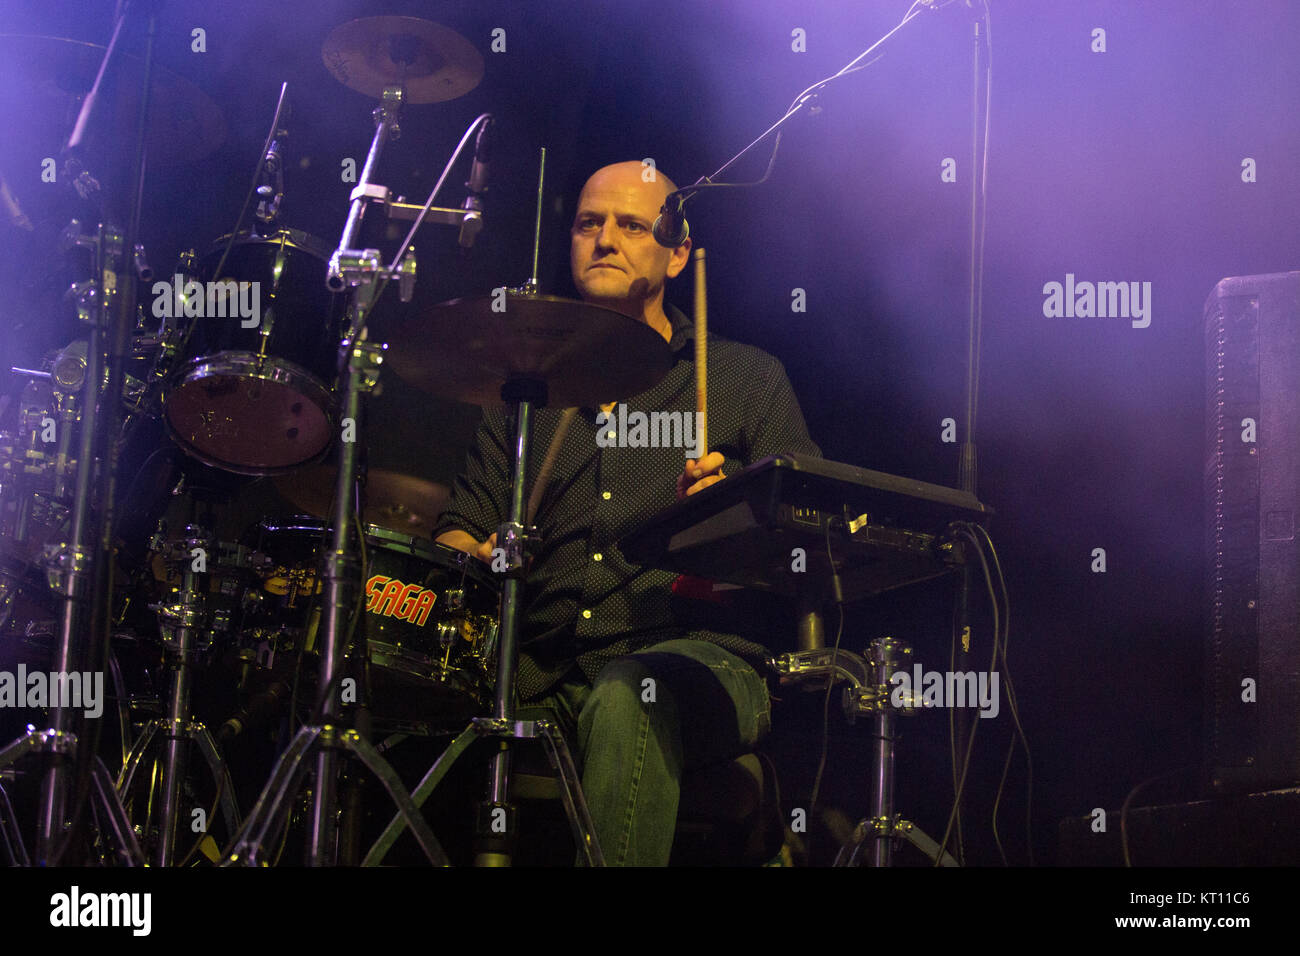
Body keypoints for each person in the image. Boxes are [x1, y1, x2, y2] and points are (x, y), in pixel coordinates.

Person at [433, 160, 820, 865]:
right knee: (412, 706)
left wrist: (733, 508)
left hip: (704, 664)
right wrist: (478, 557)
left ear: (677, 254)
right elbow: (459, 528)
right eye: (589, 223)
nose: (604, 239)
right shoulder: (525, 392)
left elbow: (808, 541)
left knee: (628, 694)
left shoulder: (744, 379)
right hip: (541, 672)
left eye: (630, 225)